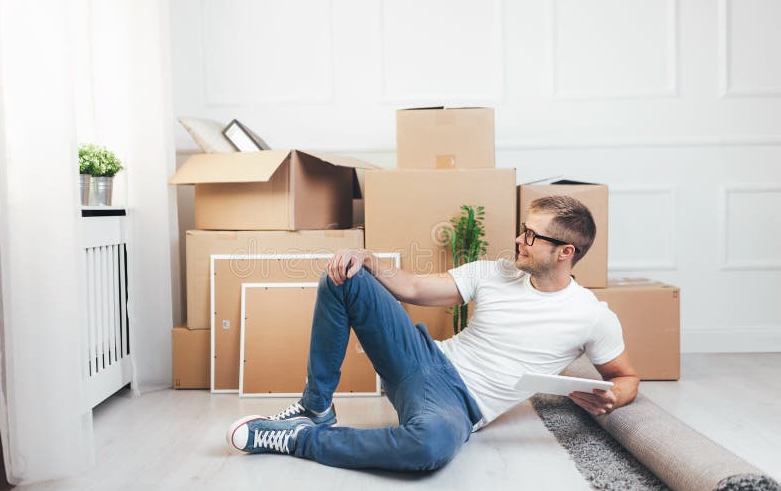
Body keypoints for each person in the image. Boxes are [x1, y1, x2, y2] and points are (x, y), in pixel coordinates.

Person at [226, 195, 639, 471]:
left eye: (531, 235)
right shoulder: (495, 273)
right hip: (421, 360)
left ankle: (298, 441)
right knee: (342, 275)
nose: (519, 239)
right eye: (522, 229)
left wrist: (615, 396)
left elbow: (626, 377)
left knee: (429, 446)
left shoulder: (591, 316)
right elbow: (414, 288)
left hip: (457, 406)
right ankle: (315, 409)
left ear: (566, 252)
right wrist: (368, 259)